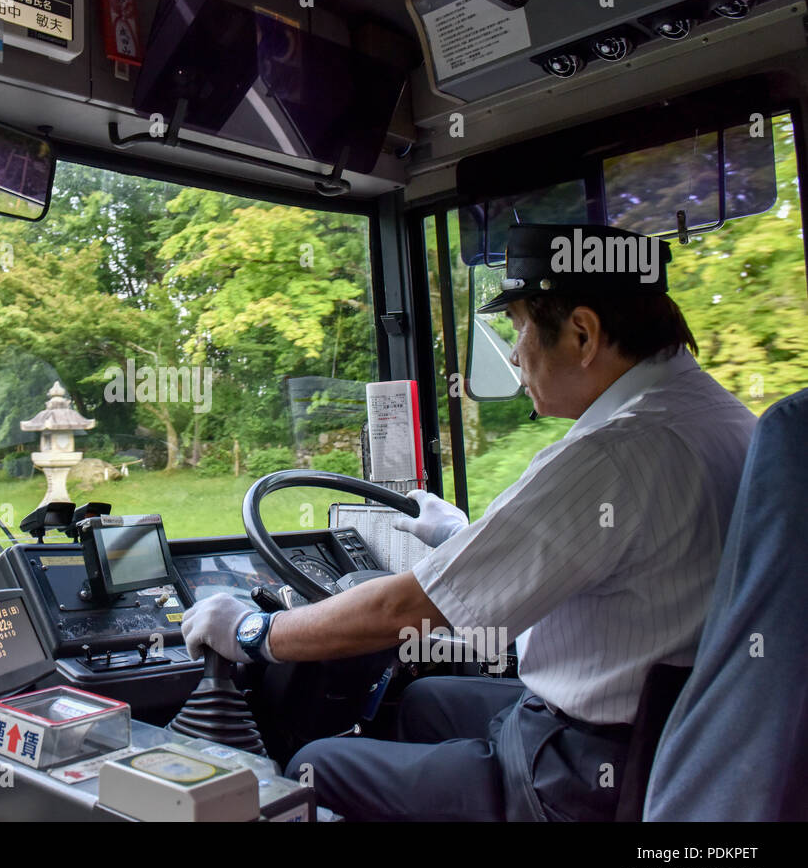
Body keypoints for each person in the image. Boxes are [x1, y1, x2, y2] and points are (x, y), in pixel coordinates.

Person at [182, 223, 757, 820]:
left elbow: (401, 611)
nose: (513, 355)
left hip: (581, 772)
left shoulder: (615, 452)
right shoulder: (723, 418)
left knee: (317, 763)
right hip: (678, 742)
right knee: (425, 699)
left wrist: (255, 633)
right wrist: (461, 539)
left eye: (520, 329)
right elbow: (611, 561)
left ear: (582, 333)